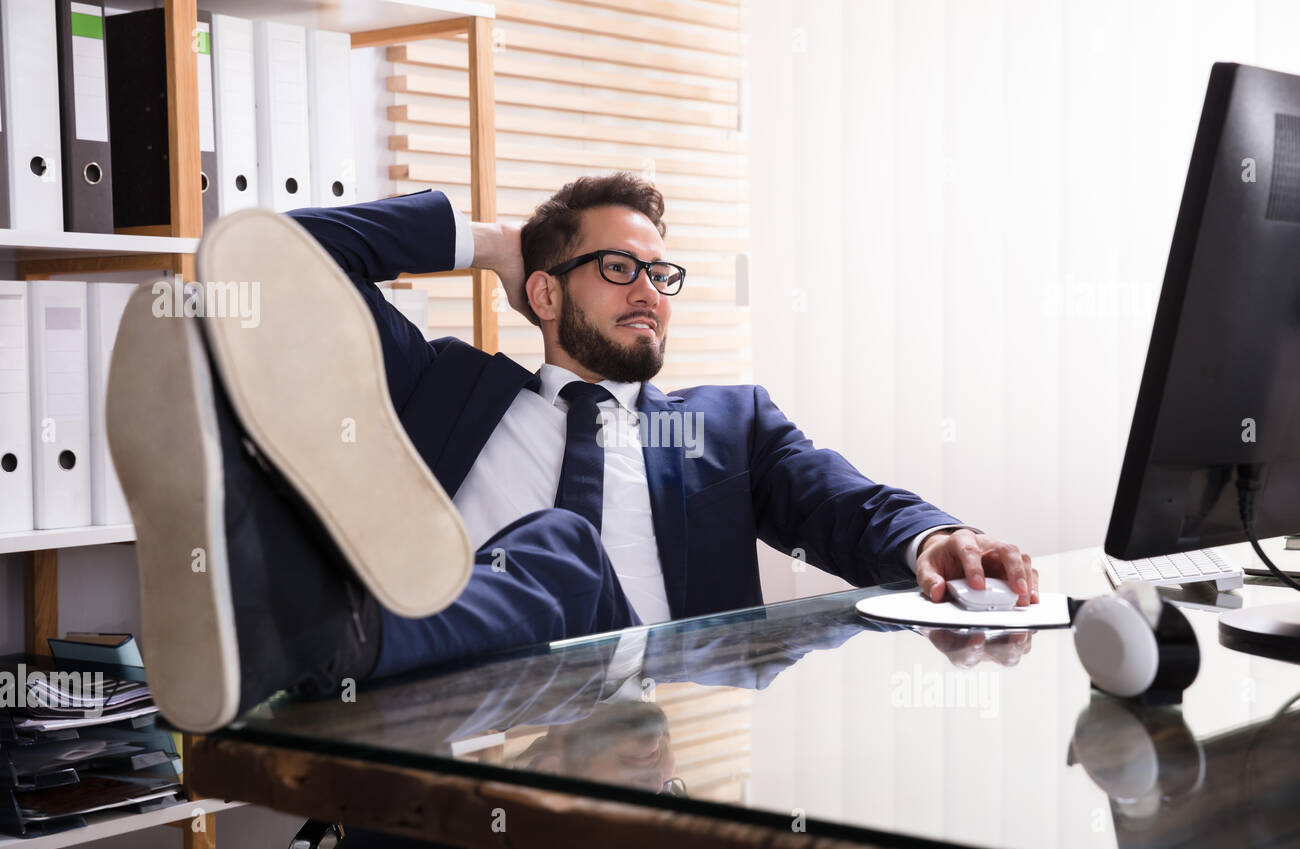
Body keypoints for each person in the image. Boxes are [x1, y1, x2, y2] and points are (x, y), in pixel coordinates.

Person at [105, 173, 1039, 733]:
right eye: (619, 268)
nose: (652, 293)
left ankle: (308, 619)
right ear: (544, 296)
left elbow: (849, 505)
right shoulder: (445, 390)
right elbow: (272, 259)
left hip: (667, 728)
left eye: (663, 274)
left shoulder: (727, 423)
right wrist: (491, 243)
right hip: (478, 719)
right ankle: (294, 594)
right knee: (549, 544)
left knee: (559, 545)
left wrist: (934, 538)